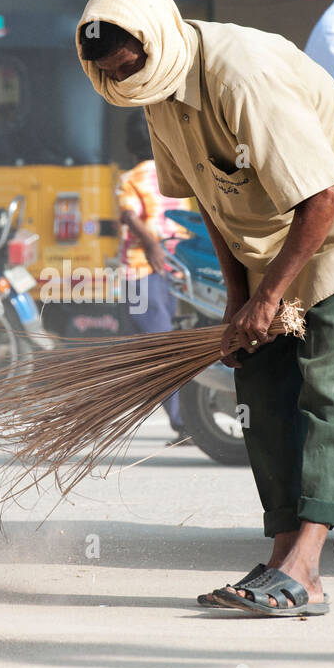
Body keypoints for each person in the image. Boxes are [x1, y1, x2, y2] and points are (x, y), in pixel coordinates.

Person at [77, 0, 334, 616]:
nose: (125, 79)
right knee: (262, 388)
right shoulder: (152, 93)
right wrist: (240, 299)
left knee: (330, 387)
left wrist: (269, 299)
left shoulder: (242, 75)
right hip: (273, 245)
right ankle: (279, 558)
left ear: (157, 38)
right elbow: (211, 199)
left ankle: (306, 574)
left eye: (131, 65)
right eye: (113, 73)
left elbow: (326, 196)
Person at [117, 113, 187, 441]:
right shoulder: (175, 176)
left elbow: (129, 215)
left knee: (156, 350)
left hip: (141, 272)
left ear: (130, 147)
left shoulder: (130, 178)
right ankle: (185, 419)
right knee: (168, 342)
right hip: (177, 270)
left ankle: (184, 423)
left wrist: (149, 244)